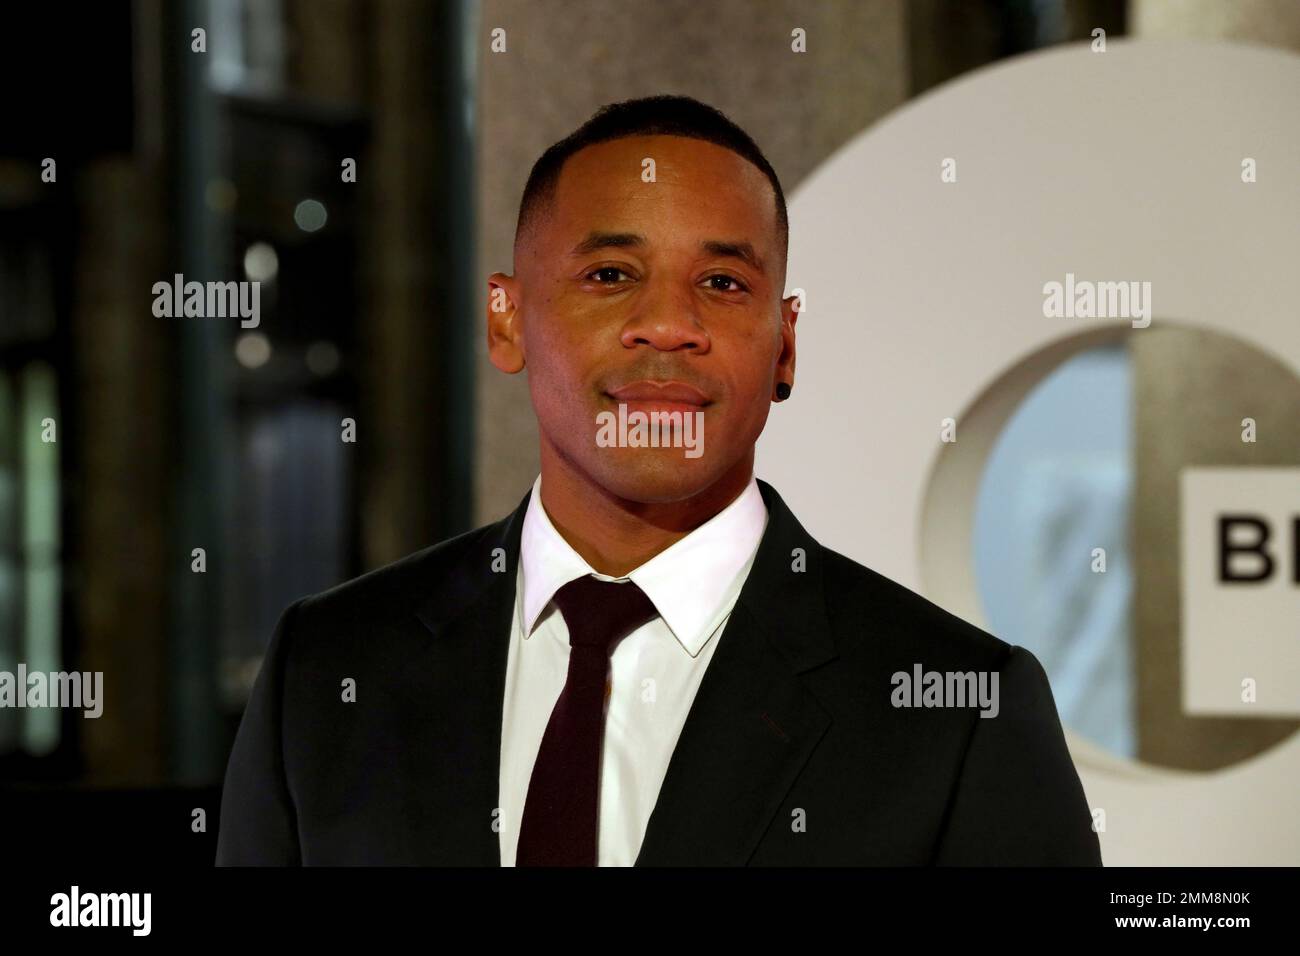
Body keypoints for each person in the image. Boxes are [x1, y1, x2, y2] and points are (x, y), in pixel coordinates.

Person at [216, 94, 1102, 866]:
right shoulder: (327, 670)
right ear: (507, 319)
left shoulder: (957, 715)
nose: (669, 325)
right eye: (610, 275)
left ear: (784, 345)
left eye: (722, 282)